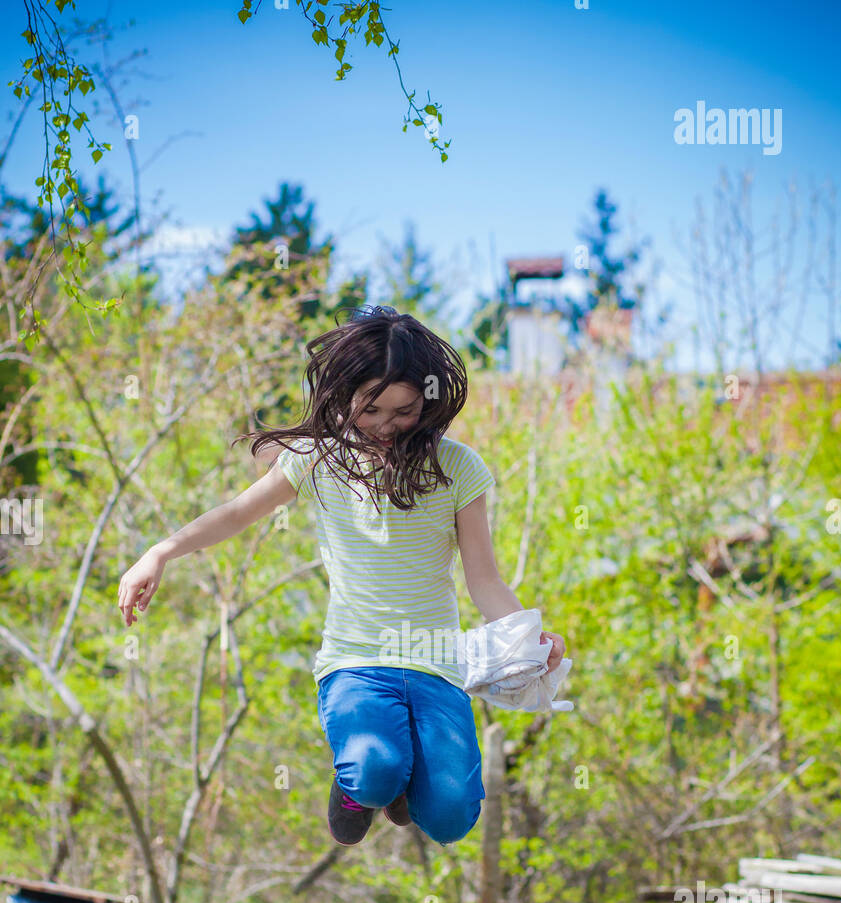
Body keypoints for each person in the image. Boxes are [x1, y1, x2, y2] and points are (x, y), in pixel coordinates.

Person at [117, 306, 566, 847]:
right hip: (356, 663)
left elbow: (484, 580)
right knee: (374, 768)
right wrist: (160, 553)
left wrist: (528, 639)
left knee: (450, 819)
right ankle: (364, 786)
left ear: (427, 400)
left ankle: (401, 787)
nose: (384, 425)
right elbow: (236, 514)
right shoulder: (316, 460)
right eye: (371, 408)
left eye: (403, 410)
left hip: (435, 664)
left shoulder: (458, 467)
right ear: (344, 396)